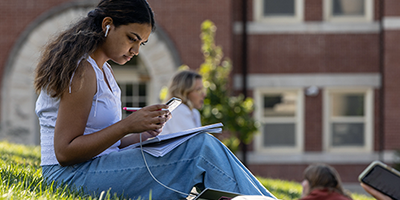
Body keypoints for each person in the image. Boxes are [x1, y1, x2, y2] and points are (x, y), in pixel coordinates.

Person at [34, 0, 276, 199]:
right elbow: (65, 152)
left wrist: (142, 133)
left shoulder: (103, 71)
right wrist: (127, 125)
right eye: (132, 38)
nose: (136, 50)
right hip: (70, 177)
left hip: (96, 167)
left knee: (200, 145)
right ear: (107, 25)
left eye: (141, 43)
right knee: (201, 149)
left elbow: (107, 143)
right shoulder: (82, 71)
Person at [160, 70, 205, 135]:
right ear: (184, 92)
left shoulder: (194, 112)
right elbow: (191, 142)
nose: (204, 94)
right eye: (198, 90)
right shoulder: (178, 110)